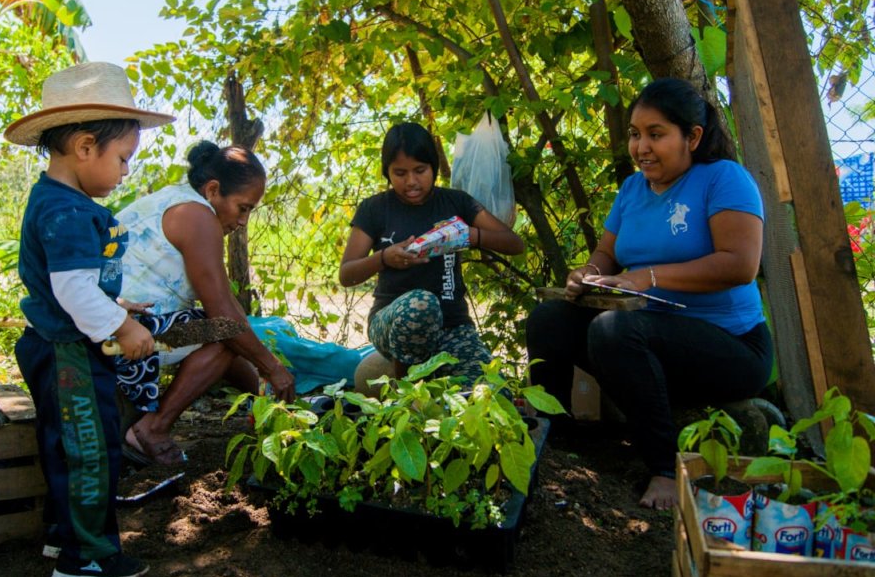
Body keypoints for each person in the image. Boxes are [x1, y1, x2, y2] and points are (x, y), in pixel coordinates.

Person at [525, 77, 774, 511]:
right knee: (550, 319)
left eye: (656, 134)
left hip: (731, 349)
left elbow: (740, 264)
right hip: (655, 340)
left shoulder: (723, 179)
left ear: (692, 137)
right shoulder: (633, 189)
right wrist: (588, 273)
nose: (642, 147)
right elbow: (607, 252)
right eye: (636, 134)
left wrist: (648, 277)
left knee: (614, 331)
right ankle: (555, 441)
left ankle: (664, 468)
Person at [7, 62, 173, 577]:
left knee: (67, 445)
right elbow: (74, 288)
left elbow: (69, 283)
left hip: (56, 345)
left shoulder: (58, 202)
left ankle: (65, 537)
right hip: (70, 356)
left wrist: (116, 307)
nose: (125, 172)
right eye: (123, 159)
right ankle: (89, 560)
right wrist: (123, 330)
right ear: (84, 147)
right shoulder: (70, 213)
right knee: (92, 452)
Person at [114, 141, 297, 465]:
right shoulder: (197, 216)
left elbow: (225, 309)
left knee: (229, 332)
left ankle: (265, 404)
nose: (243, 221)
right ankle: (152, 429)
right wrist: (273, 368)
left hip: (116, 321)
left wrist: (265, 390)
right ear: (213, 190)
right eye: (243, 208)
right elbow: (224, 319)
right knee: (225, 331)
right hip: (125, 330)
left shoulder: (180, 200)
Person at [339, 121, 524, 389]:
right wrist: (383, 258)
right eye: (400, 173)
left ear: (434, 168)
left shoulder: (455, 203)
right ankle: (406, 394)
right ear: (387, 172)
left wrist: (472, 236)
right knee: (421, 304)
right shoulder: (375, 209)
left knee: (489, 395)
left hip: (453, 328)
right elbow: (346, 274)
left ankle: (434, 384)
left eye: (420, 171)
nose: (411, 181)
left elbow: (515, 244)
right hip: (391, 325)